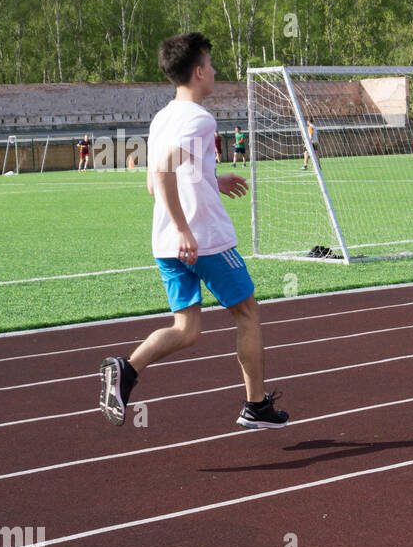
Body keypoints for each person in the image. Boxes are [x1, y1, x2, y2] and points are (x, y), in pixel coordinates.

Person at [99, 31, 289, 430]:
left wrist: (210, 180)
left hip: (165, 241)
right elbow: (166, 171)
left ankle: (127, 370)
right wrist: (186, 228)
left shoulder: (162, 117)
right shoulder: (201, 119)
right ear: (199, 72)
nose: (216, 71)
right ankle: (256, 407)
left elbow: (155, 181)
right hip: (201, 238)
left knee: (186, 329)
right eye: (212, 65)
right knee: (248, 312)